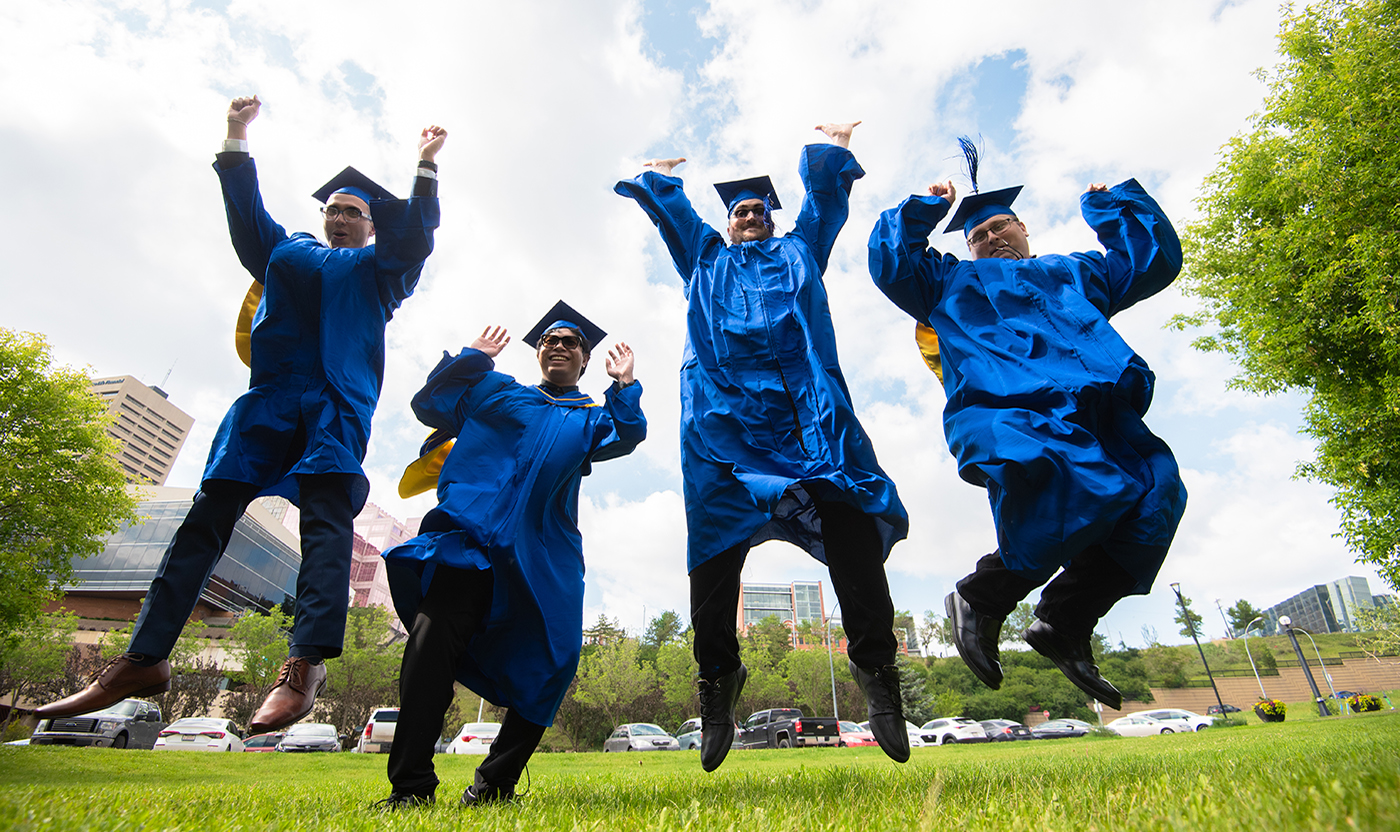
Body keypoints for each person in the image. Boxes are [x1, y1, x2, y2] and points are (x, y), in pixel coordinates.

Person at [37, 96, 446, 732]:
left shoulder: (380, 270)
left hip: (334, 409)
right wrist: (236, 134)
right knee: (205, 521)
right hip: (266, 405)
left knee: (325, 522)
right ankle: (143, 657)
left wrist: (423, 167)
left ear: (372, 226)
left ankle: (304, 663)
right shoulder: (284, 251)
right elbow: (244, 212)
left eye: (355, 212)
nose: (341, 217)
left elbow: (416, 235)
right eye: (333, 209)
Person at [615, 123, 910, 770]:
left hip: (809, 420)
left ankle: (876, 671)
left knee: (852, 525)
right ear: (728, 223)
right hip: (721, 427)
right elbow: (676, 216)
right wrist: (662, 178)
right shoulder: (704, 259)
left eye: (758, 210)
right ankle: (717, 683)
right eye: (740, 211)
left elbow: (826, 205)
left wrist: (829, 149)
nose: (750, 215)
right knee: (713, 564)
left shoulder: (802, 250)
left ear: (773, 220)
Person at [866, 141, 1187, 708]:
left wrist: (1111, 208)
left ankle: (1064, 621)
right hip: (1006, 415)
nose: (991, 237)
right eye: (978, 234)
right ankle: (982, 597)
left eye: (1000, 226)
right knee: (1068, 476)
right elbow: (893, 263)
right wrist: (922, 209)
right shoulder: (947, 283)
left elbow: (1151, 261)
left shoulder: (1073, 273)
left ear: (1023, 227)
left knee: (1154, 500)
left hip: (1099, 417)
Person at [371, 303, 646, 810]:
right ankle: (410, 787)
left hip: (543, 557)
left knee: (557, 661)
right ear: (538, 353)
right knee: (429, 650)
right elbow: (431, 403)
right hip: (468, 544)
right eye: (549, 340)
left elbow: (627, 434)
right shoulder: (498, 391)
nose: (558, 345)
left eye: (570, 342)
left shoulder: (590, 419)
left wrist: (625, 385)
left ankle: (493, 785)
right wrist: (474, 357)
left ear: (585, 360)